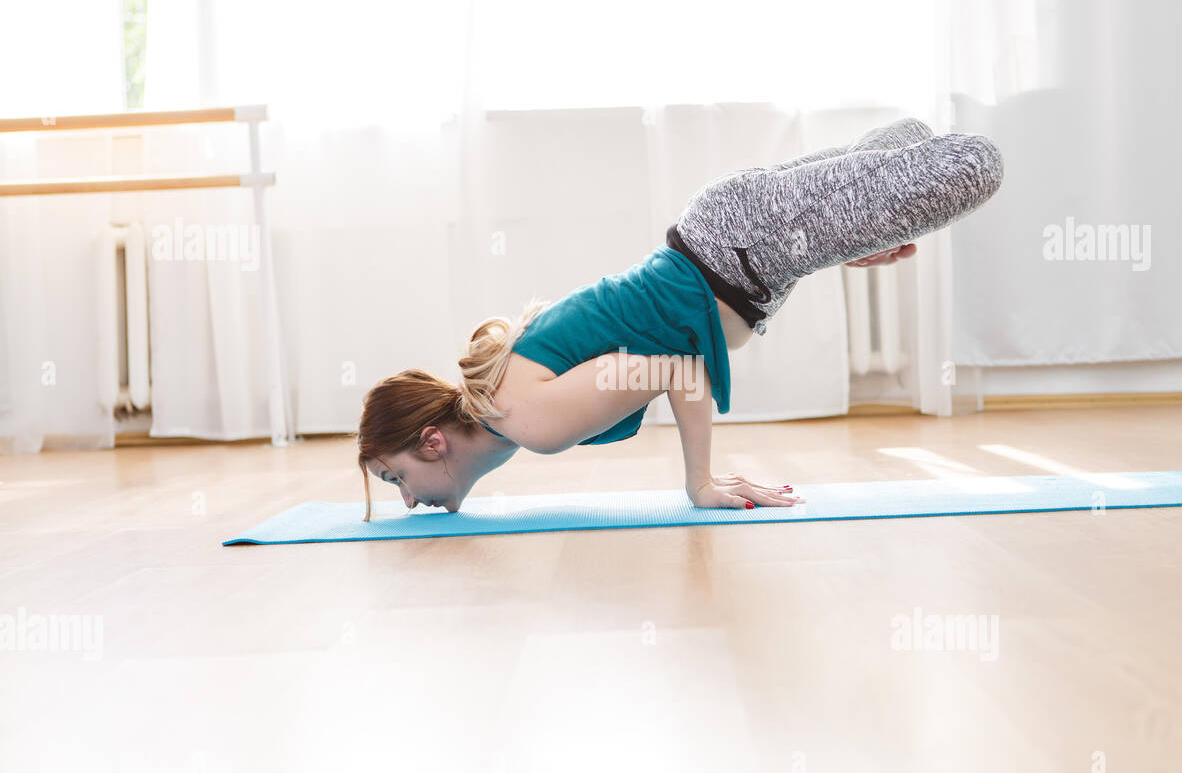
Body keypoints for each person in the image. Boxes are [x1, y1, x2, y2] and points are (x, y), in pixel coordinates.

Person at [354, 117, 1003, 518]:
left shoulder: (525, 418)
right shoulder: (509, 401)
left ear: (431, 442)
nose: (409, 500)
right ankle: (871, 213)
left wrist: (699, 483)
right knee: (907, 143)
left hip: (745, 244)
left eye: (396, 479)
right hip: (748, 248)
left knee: (975, 167)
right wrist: (850, 241)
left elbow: (675, 367)